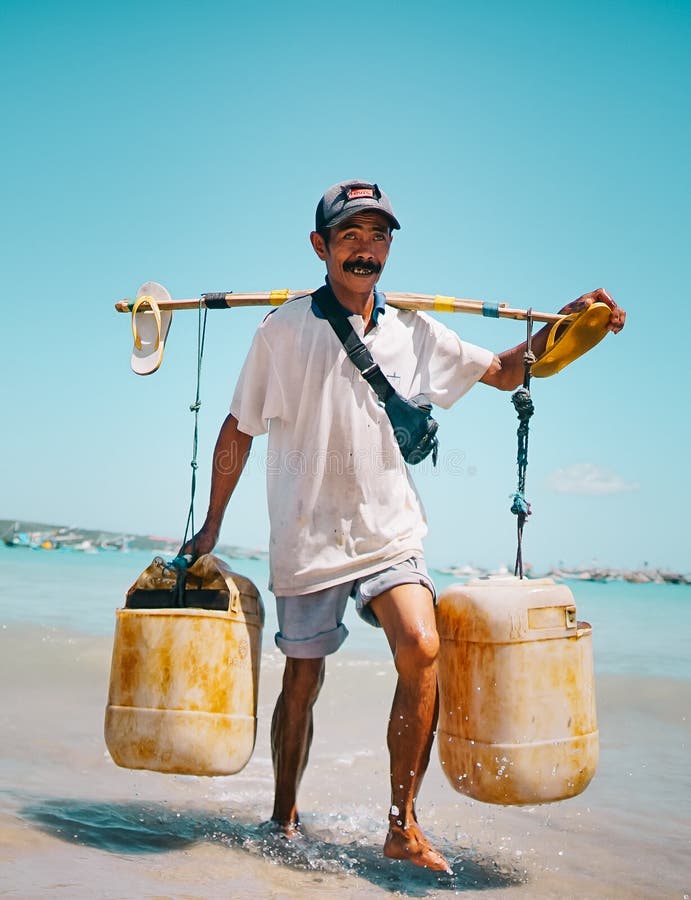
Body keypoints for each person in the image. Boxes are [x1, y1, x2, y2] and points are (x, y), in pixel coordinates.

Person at [186, 179, 625, 873]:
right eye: (350, 236)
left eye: (378, 235)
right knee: (300, 683)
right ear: (320, 246)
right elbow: (239, 428)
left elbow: (508, 373)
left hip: (389, 527)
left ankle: (401, 823)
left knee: (422, 648)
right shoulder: (281, 329)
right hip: (306, 532)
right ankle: (283, 815)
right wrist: (209, 525)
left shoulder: (414, 329)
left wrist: (570, 327)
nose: (365, 250)